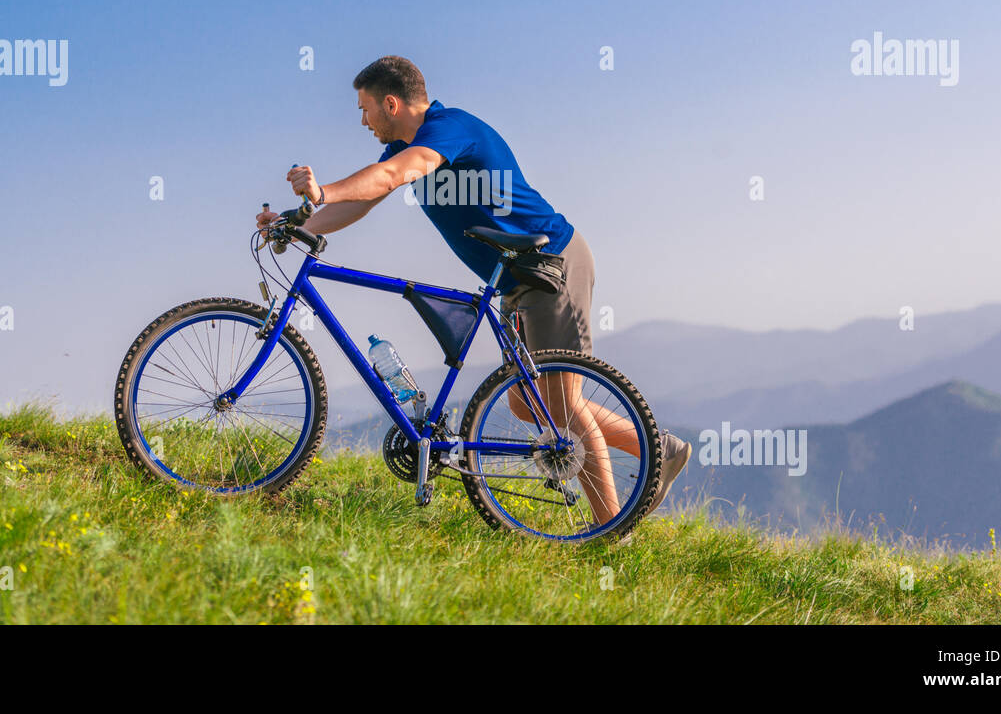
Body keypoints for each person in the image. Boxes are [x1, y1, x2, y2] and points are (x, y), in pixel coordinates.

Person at [256, 55, 691, 522]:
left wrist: (322, 191)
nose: (362, 120)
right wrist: (293, 223)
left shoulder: (448, 129)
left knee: (562, 405)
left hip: (550, 262)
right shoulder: (406, 146)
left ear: (391, 103)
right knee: (528, 403)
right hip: (514, 274)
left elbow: (391, 176)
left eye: (364, 109)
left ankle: (611, 528)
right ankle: (657, 448)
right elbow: (361, 201)